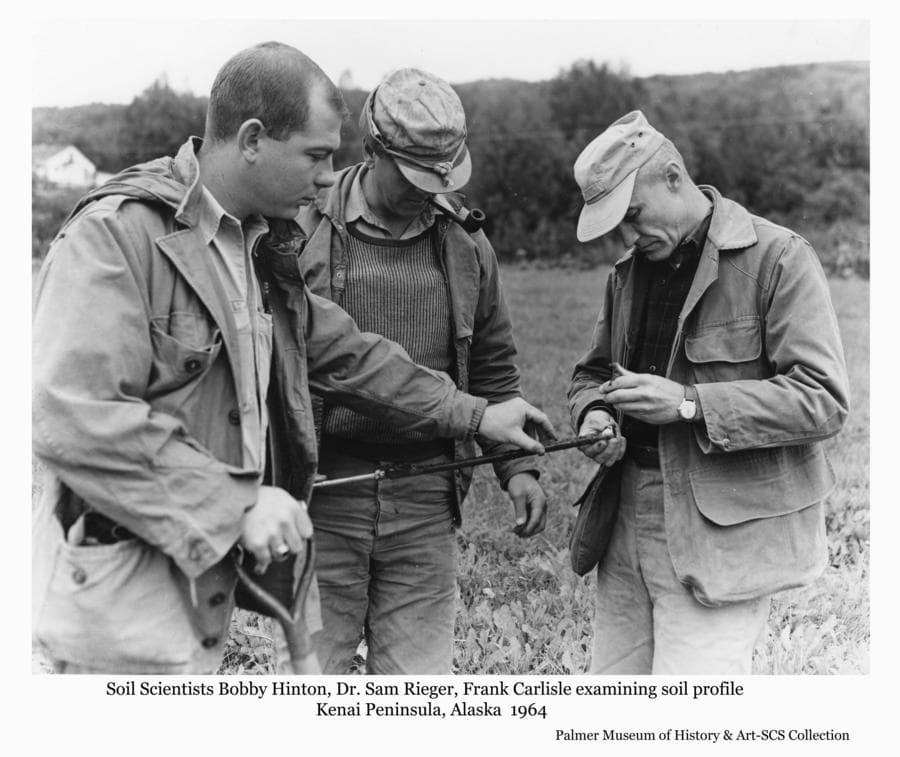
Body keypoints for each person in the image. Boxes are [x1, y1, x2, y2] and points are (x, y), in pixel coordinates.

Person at [31, 42, 553, 675]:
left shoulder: (255, 247)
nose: (330, 177)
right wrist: (238, 504)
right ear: (252, 139)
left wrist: (477, 416)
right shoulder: (116, 236)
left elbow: (351, 355)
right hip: (107, 603)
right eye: (316, 155)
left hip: (195, 593)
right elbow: (71, 414)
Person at [567, 110, 849, 674]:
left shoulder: (780, 258)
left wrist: (690, 404)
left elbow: (822, 399)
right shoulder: (628, 273)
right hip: (625, 519)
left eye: (634, 215)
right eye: (616, 226)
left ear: (673, 176)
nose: (627, 237)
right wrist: (593, 414)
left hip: (721, 535)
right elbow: (591, 374)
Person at [286, 67, 547, 674]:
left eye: (443, 176)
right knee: (306, 681)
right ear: (372, 149)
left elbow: (491, 365)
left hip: (428, 494)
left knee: (416, 689)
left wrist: (519, 469)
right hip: (324, 491)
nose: (429, 192)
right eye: (413, 176)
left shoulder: (466, 245)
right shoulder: (299, 227)